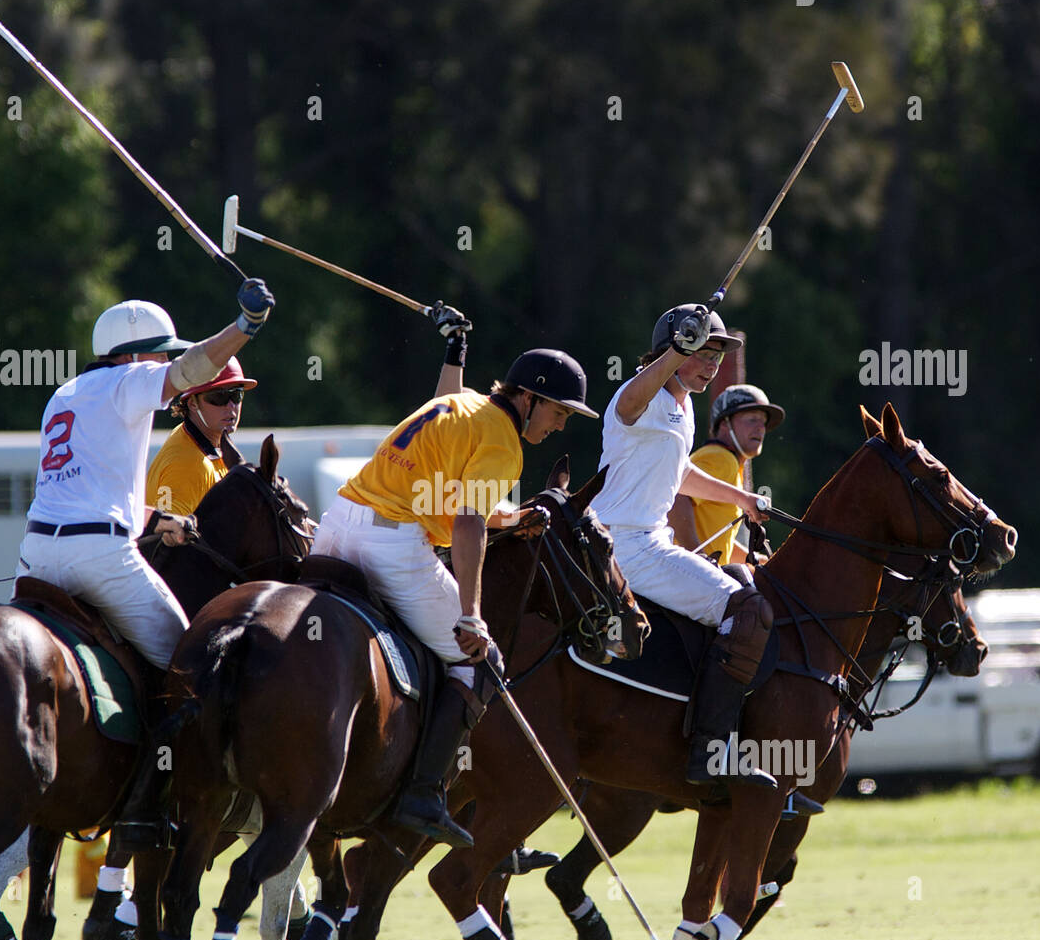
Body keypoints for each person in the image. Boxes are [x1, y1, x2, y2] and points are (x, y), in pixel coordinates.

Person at [311, 329, 598, 848]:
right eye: (559, 411)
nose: (561, 424)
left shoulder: (459, 403)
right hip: (392, 547)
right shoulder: (502, 441)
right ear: (528, 398)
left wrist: (507, 519)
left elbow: (454, 491)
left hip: (335, 527)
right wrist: (472, 615)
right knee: (480, 663)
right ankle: (421, 794)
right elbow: (466, 523)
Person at [15, 280, 273, 841]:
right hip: (97, 554)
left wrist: (160, 521)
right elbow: (194, 369)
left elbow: (94, 488)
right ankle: (150, 798)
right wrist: (246, 326)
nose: (166, 363)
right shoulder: (129, 381)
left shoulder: (65, 393)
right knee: (192, 663)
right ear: (133, 357)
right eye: (160, 353)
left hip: (38, 554)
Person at [589, 305, 776, 790]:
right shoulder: (643, 395)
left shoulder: (683, 405)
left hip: (647, 542)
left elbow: (680, 477)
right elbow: (626, 407)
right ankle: (711, 751)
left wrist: (743, 499)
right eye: (705, 352)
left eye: (718, 354)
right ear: (676, 348)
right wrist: (678, 351)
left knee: (740, 581)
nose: (713, 364)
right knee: (748, 611)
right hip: (628, 547)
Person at [669, 383, 785, 566]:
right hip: (684, 571)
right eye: (752, 419)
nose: (760, 428)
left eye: (763, 422)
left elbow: (722, 546)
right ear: (725, 424)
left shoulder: (726, 461)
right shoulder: (720, 458)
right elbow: (676, 496)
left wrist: (756, 560)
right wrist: (698, 556)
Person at [146, 357, 258, 517]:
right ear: (192, 403)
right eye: (219, 397)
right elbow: (165, 539)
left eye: (236, 395)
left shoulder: (197, 439)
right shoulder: (188, 464)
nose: (231, 406)